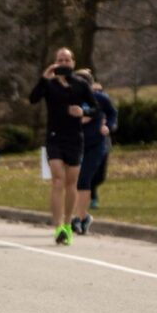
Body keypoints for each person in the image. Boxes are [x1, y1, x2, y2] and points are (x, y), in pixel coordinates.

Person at [29, 48, 98, 245]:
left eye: (67, 59)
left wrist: (82, 110)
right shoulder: (49, 85)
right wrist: (44, 77)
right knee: (58, 180)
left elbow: (95, 108)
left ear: (73, 63)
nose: (64, 62)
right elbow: (33, 99)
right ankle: (58, 225)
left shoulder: (81, 84)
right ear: (55, 63)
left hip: (74, 138)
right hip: (54, 137)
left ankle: (68, 224)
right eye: (60, 59)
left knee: (71, 182)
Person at [72, 69, 108, 235]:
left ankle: (78, 218)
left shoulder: (96, 99)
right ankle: (82, 216)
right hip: (73, 143)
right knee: (71, 182)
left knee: (84, 180)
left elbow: (89, 116)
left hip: (94, 144)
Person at [88, 80, 117, 209]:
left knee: (100, 175)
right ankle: (92, 197)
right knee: (89, 172)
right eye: (95, 90)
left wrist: (107, 126)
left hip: (104, 144)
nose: (97, 93)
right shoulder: (86, 107)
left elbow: (114, 121)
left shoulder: (106, 106)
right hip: (88, 144)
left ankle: (89, 191)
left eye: (100, 90)